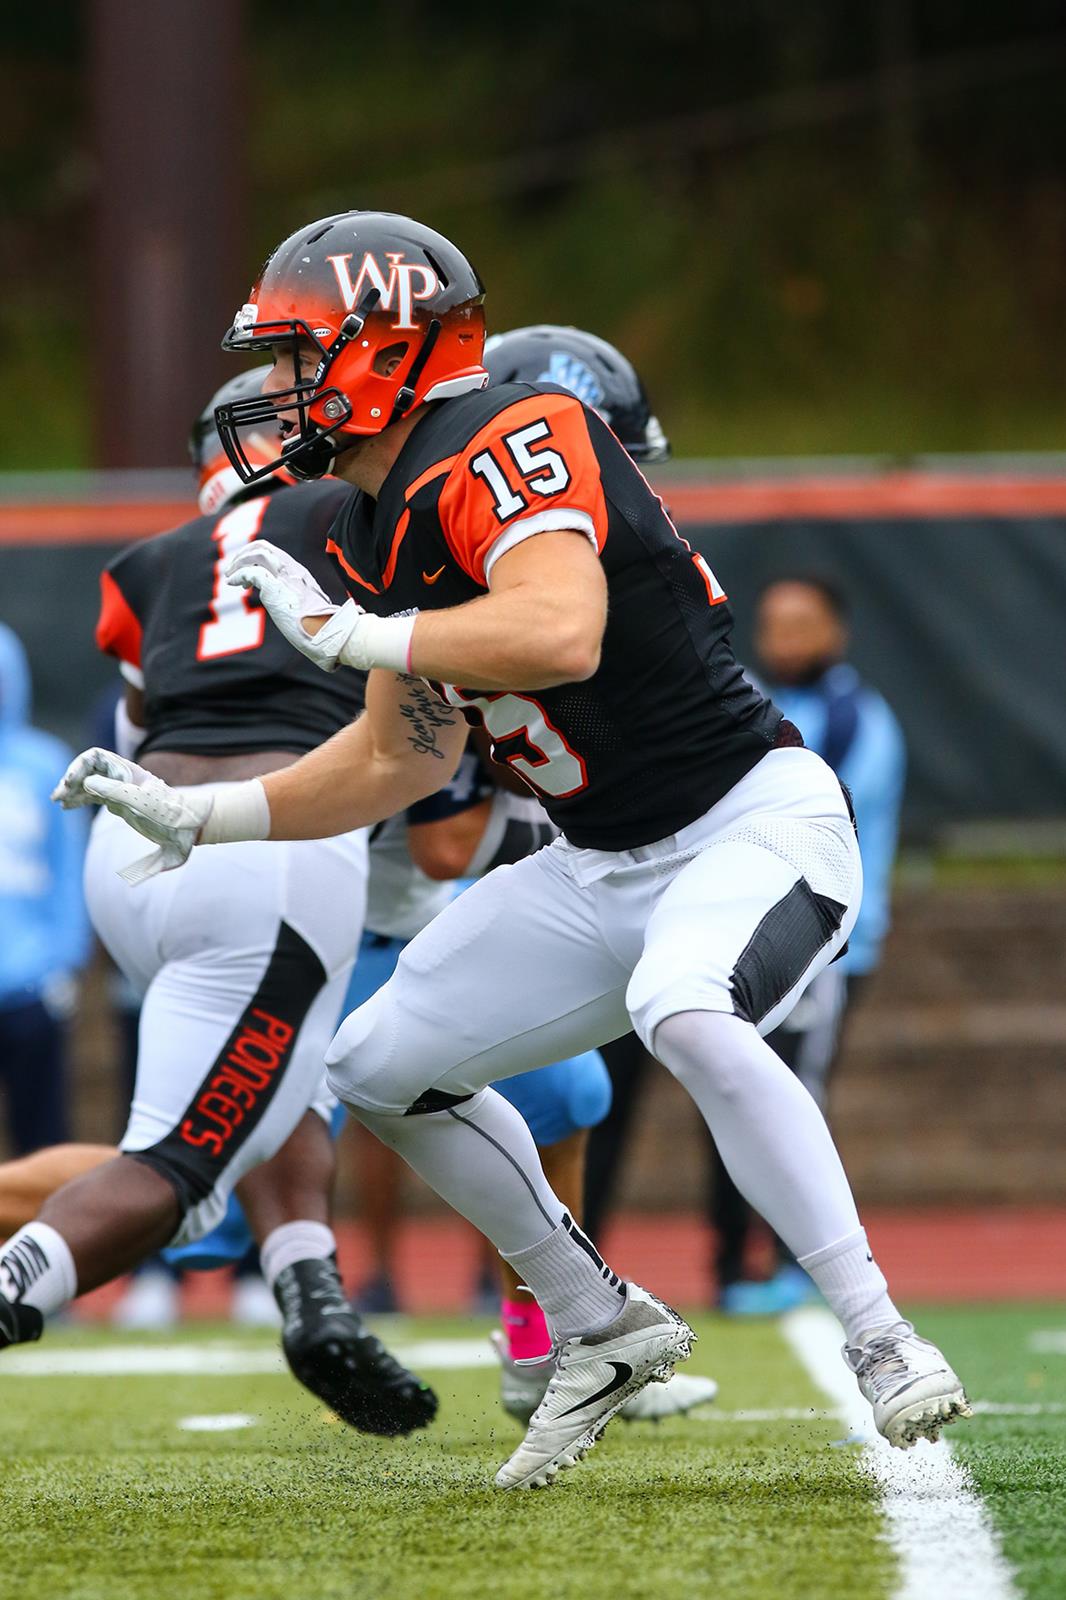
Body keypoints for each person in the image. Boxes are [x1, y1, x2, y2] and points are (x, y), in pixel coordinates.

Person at [47, 210, 969, 1490]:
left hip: (749, 822)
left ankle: (879, 1332)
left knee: (685, 1008)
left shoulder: (515, 430)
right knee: (377, 1063)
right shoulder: (353, 522)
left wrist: (359, 637)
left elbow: (557, 631)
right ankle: (594, 1319)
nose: (277, 389)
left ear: (384, 347)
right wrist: (207, 816)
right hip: (598, 861)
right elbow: (399, 758)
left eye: (298, 355)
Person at [0, 370, 436, 1437]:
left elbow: (139, 718)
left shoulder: (152, 560)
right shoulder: (367, 516)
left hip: (138, 845)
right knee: (182, 1171)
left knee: (291, 1073)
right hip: (271, 847)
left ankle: (308, 1289)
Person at [712, 575, 907, 1314]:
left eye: (803, 624)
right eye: (773, 625)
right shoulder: (744, 698)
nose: (785, 639)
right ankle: (732, 1263)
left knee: (797, 1094)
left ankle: (799, 1265)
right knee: (732, 1089)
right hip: (743, 932)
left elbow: (814, 821)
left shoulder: (860, 721)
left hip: (826, 943)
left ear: (836, 632)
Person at [0, 626, 89, 1155]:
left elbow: (69, 868)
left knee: (42, 1139)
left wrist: (65, 962)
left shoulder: (45, 762)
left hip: (32, 986)